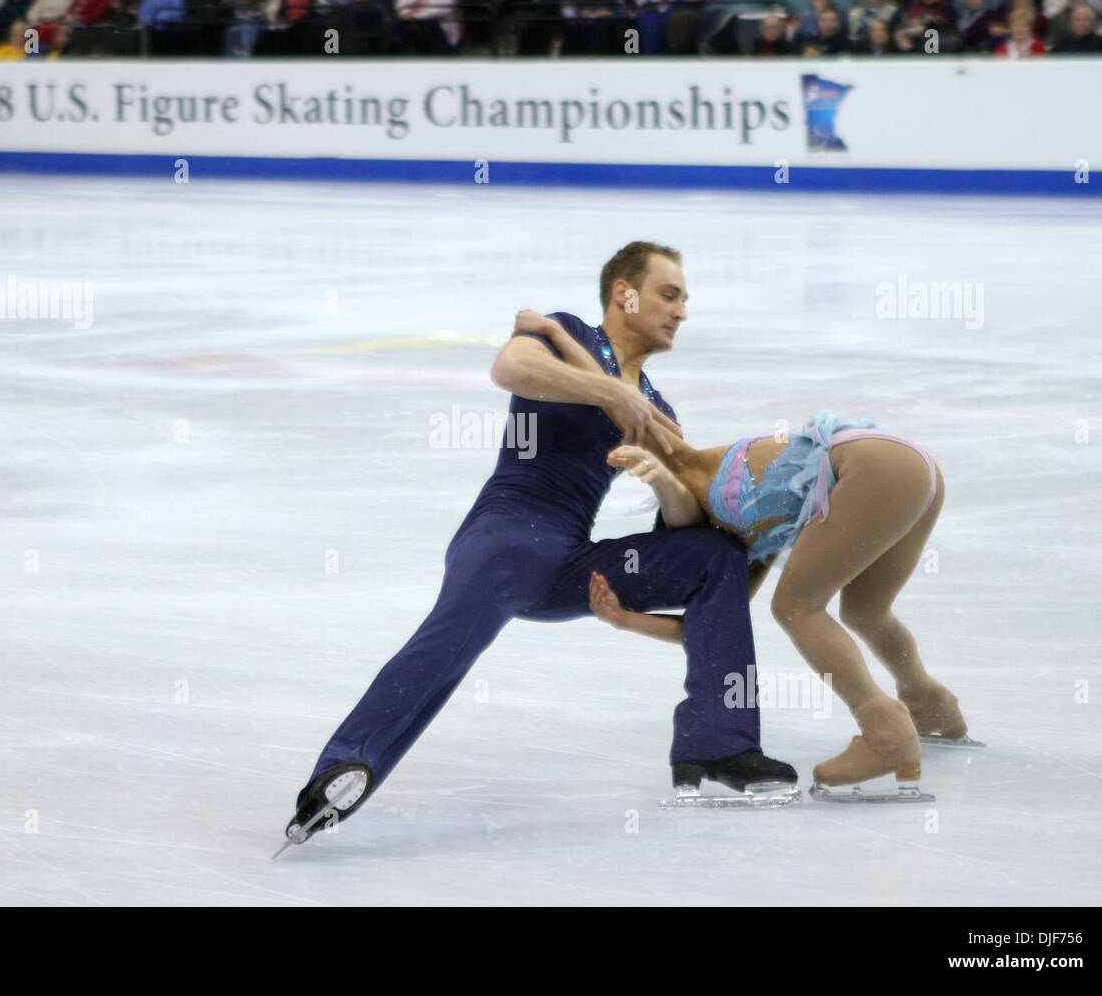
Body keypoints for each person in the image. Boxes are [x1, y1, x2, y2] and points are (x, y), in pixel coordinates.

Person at [282, 243, 797, 846]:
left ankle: (720, 745)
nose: (681, 311)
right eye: (668, 294)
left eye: (684, 299)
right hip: (508, 530)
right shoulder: (568, 336)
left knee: (716, 555)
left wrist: (663, 483)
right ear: (624, 294)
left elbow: (683, 524)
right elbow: (510, 369)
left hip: (571, 564)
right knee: (447, 646)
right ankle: (344, 768)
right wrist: (610, 392)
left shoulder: (656, 407)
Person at [514, 314, 971, 801]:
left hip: (868, 464)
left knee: (796, 607)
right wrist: (625, 619)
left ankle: (885, 734)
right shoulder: (745, 544)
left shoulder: (681, 459)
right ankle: (930, 703)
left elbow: (612, 391)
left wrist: (560, 336)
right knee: (864, 610)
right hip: (906, 464)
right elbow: (713, 626)